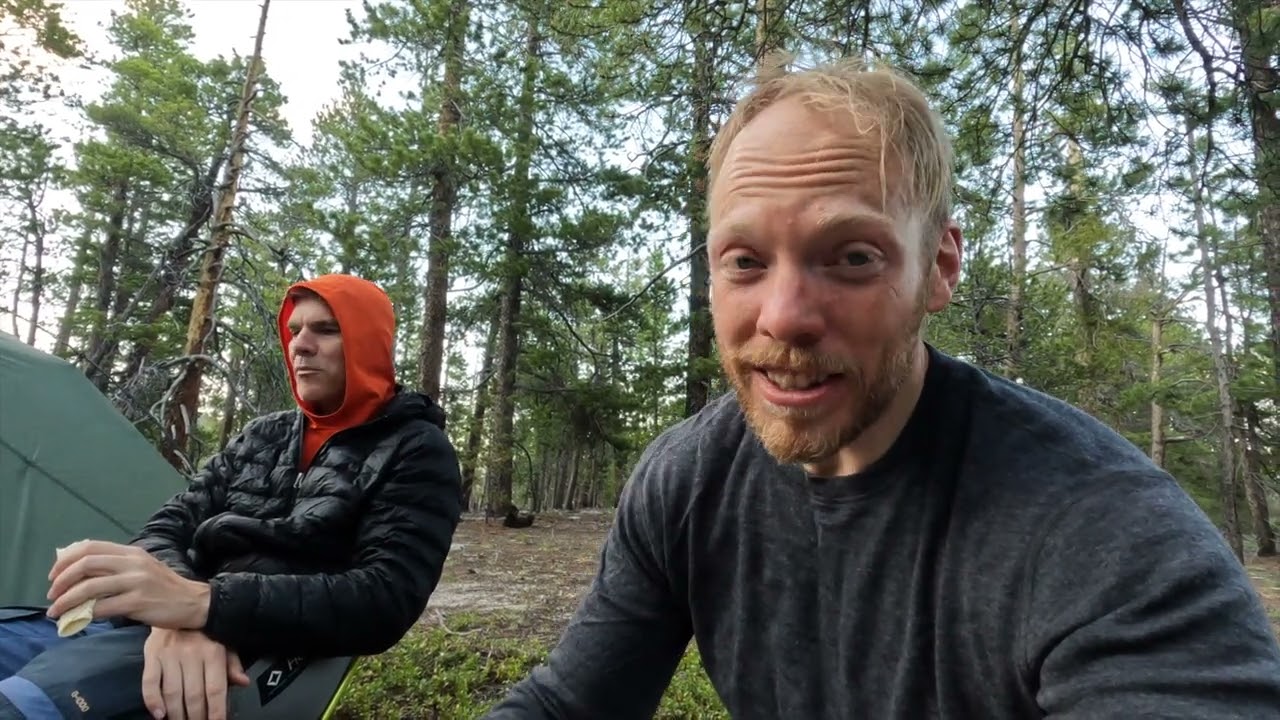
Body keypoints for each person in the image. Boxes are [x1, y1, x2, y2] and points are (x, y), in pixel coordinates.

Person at [483, 56, 1280, 719]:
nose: (785, 317)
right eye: (745, 261)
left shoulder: (1099, 530)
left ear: (939, 268)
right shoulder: (690, 481)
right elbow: (570, 703)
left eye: (853, 257)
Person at [0, 274, 464, 720]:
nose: (300, 344)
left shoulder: (416, 448)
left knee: (19, 705)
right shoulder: (266, 434)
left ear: (369, 344)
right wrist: (172, 610)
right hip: (153, 627)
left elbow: (384, 598)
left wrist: (206, 606)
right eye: (294, 330)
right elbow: (166, 526)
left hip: (254, 651)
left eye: (326, 330)